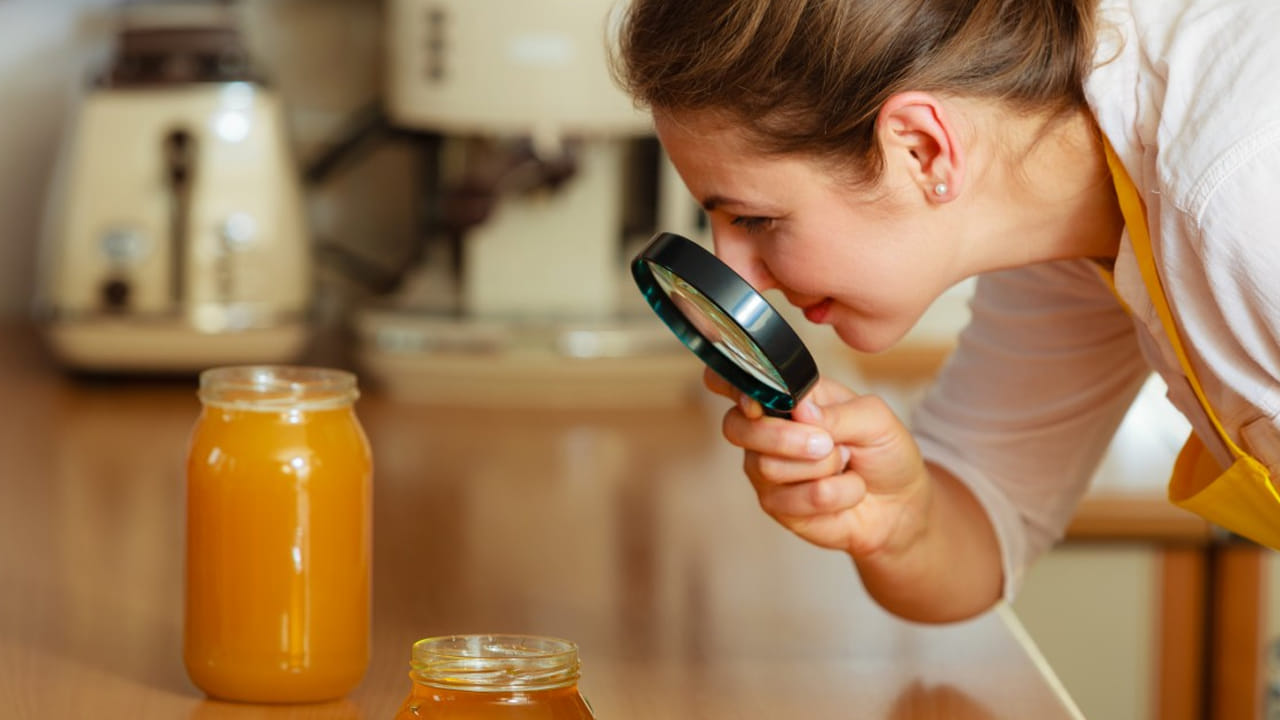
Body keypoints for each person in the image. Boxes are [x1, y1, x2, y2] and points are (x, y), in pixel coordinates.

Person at [612, 0, 1280, 623]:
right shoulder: (1062, 208)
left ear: (922, 148)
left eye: (756, 219)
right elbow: (990, 520)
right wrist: (902, 520)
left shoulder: (1244, 191)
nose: (739, 278)